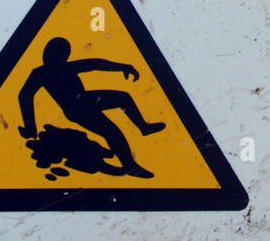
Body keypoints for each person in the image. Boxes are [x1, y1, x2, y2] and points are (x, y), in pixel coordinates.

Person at [18, 37, 165, 178]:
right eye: (55, 52)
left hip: (87, 99)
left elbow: (95, 63)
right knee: (111, 131)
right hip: (76, 109)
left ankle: (143, 127)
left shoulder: (67, 66)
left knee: (123, 97)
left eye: (62, 53)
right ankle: (129, 166)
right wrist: (30, 126)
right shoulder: (41, 73)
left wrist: (122, 67)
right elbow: (24, 95)